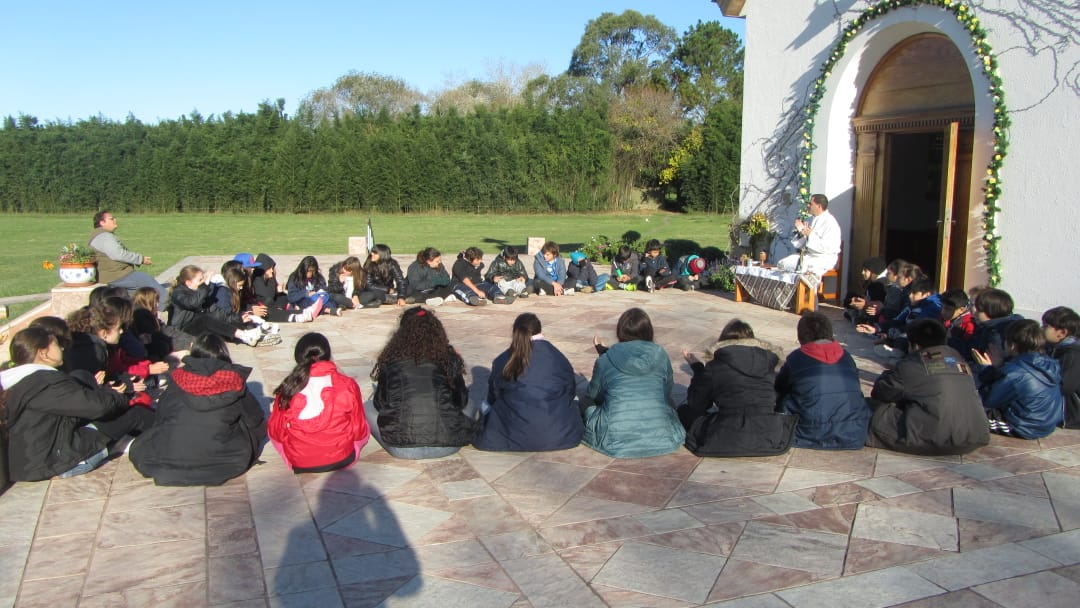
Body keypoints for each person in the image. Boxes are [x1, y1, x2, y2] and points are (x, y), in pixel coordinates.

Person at [0, 327, 154, 481]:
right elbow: (98, 407)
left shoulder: (15, 379)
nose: (61, 348)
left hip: (34, 462)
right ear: (43, 353)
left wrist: (102, 391)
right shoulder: (44, 383)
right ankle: (170, 436)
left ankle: (117, 443)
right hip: (55, 463)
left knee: (82, 379)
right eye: (56, 344)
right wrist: (116, 394)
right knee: (136, 414)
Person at [129, 334, 267, 485]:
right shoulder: (234, 381)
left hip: (171, 456)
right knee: (255, 428)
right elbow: (255, 419)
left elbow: (161, 416)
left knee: (145, 441)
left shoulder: (177, 379)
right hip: (224, 459)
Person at [367, 307, 478, 459]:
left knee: (367, 407)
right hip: (449, 444)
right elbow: (461, 400)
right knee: (471, 403)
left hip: (401, 447)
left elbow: (380, 403)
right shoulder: (448, 358)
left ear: (402, 333)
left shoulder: (391, 360)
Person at [865, 319, 990, 455]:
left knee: (868, 408)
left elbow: (881, 392)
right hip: (974, 436)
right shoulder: (958, 359)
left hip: (936, 438)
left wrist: (890, 373)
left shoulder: (913, 364)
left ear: (915, 346)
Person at [678, 319, 796, 457]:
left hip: (728, 433)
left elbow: (697, 404)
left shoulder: (715, 366)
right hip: (769, 434)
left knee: (684, 411)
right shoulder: (769, 363)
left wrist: (699, 370)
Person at [583, 308, 685, 458]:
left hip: (614, 436)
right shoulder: (661, 354)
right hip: (661, 433)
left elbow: (594, 394)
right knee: (668, 401)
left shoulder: (605, 359)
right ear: (649, 331)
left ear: (620, 331)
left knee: (585, 401)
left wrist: (605, 356)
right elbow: (666, 392)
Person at [473, 313, 582, 451]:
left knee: (484, 405)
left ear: (515, 332)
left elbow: (493, 396)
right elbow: (570, 392)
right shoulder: (558, 358)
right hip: (560, 435)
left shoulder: (503, 360)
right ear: (540, 330)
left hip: (508, 433)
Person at [269, 332, 370, 472]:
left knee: (272, 426)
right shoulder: (347, 384)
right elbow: (359, 430)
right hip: (343, 458)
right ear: (328, 355)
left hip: (299, 463)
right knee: (364, 421)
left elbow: (276, 432)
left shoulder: (288, 388)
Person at [776, 312, 870, 449]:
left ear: (801, 336)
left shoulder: (797, 358)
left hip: (807, 433)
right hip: (853, 434)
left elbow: (779, 387)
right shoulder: (847, 357)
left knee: (784, 395)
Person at [976, 319, 1064, 439]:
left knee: (967, 409)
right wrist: (998, 367)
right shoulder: (1049, 363)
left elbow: (987, 400)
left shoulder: (1016, 372)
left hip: (1025, 427)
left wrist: (986, 369)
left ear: (1012, 345)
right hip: (1046, 423)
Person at [167, 265, 269, 347]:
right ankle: (244, 336)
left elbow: (217, 313)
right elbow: (193, 303)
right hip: (179, 331)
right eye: (200, 280)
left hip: (196, 328)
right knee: (205, 319)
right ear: (188, 283)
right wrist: (205, 285)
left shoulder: (200, 293)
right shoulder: (178, 293)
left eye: (203, 279)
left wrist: (239, 318)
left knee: (220, 322)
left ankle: (248, 334)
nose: (203, 283)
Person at [87, 210, 168, 308]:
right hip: (117, 275)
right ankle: (168, 306)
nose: (115, 220)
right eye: (111, 219)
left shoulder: (100, 235)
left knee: (134, 297)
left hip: (114, 276)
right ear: (102, 222)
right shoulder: (103, 237)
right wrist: (140, 259)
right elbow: (118, 254)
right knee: (149, 284)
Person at [777, 194, 842, 275]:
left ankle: (807, 288)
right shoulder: (811, 219)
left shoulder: (830, 223)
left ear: (819, 206)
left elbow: (829, 247)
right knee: (782, 263)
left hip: (824, 258)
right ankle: (789, 288)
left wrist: (810, 235)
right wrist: (801, 232)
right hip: (809, 256)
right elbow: (802, 244)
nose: (808, 205)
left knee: (802, 267)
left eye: (810, 204)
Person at [1042, 306, 1080, 428]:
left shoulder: (1073, 354)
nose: (1041, 329)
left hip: (1071, 414)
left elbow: (1066, 387)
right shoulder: (1056, 348)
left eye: (1045, 326)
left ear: (1062, 333)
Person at [844, 257, 888, 324]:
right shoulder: (873, 283)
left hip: (878, 313)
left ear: (874, 271)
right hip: (869, 306)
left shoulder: (879, 285)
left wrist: (864, 304)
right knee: (850, 296)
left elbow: (877, 305)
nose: (862, 272)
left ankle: (860, 318)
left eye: (865, 270)